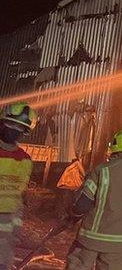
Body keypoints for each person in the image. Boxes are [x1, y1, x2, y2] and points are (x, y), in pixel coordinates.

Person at [65, 128, 122, 270]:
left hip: (90, 239)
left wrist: (72, 215)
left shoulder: (102, 171)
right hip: (120, 242)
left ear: (115, 148)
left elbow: (82, 204)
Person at [0, 102, 37, 269]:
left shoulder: (25, 160)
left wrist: (16, 231)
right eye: (10, 124)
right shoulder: (24, 160)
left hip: (7, 232)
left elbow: (20, 196)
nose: (14, 130)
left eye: (19, 127)